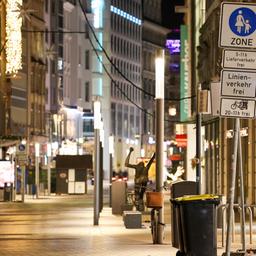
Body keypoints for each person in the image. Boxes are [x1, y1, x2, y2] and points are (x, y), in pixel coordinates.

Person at [125, 147, 155, 211]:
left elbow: (126, 164)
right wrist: (154, 155)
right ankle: (140, 205)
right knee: (141, 194)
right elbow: (151, 160)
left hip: (138, 182)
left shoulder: (137, 167)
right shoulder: (146, 168)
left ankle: (138, 205)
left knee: (137, 194)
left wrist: (130, 152)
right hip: (144, 182)